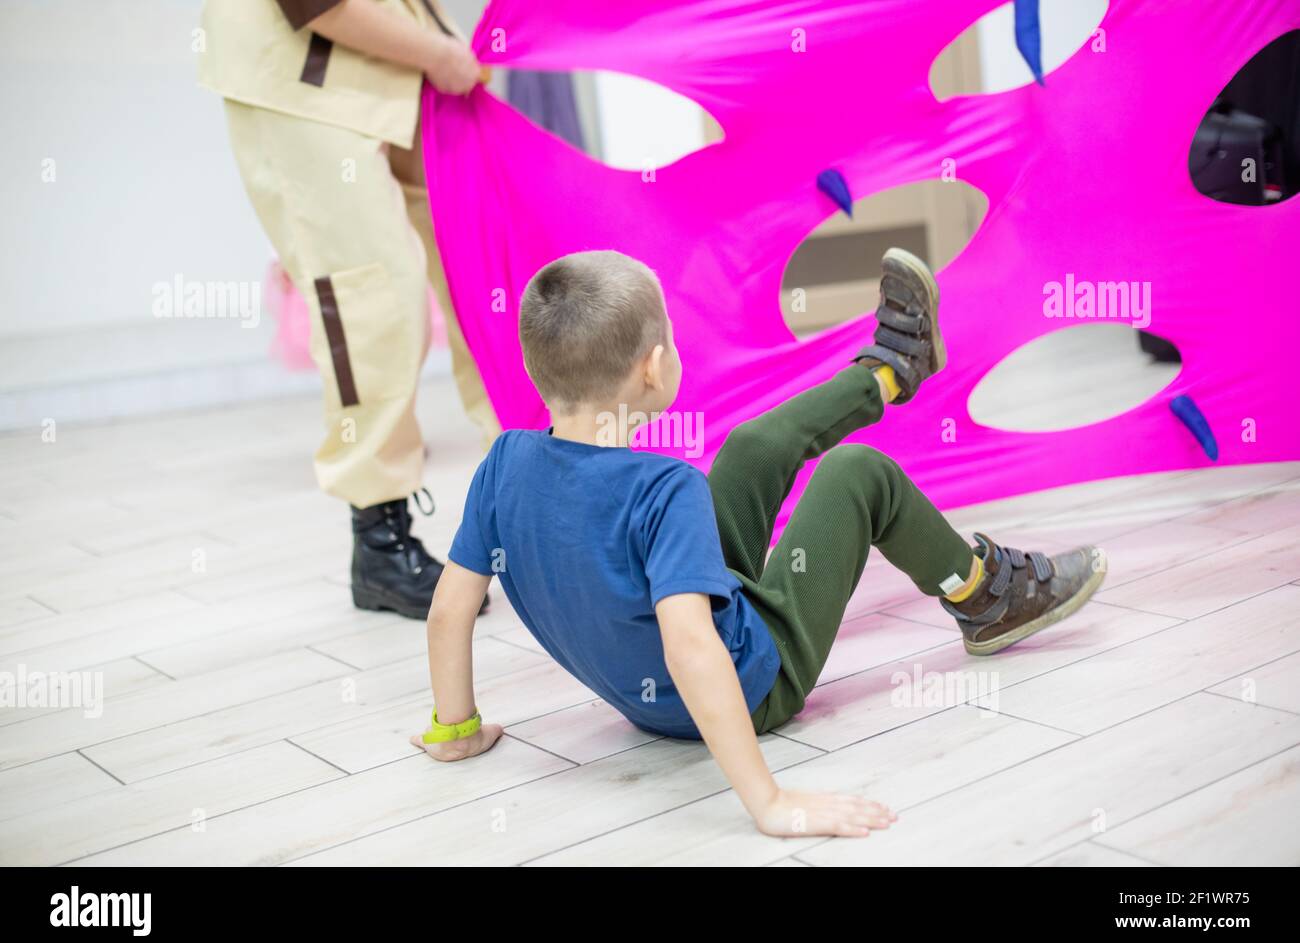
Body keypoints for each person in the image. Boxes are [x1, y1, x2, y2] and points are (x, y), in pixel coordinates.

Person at [410, 249, 1107, 837]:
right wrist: (769, 804)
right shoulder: (665, 489)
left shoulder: (503, 464)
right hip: (754, 684)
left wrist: (457, 727)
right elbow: (689, 647)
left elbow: (449, 612)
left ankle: (889, 373)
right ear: (654, 368)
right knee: (857, 474)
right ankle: (984, 594)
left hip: (650, 689)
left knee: (748, 450)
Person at [197, 0, 497, 618]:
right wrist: (439, 53)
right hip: (307, 81)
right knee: (371, 299)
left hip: (407, 69)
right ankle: (380, 538)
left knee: (481, 269)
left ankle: (537, 488)